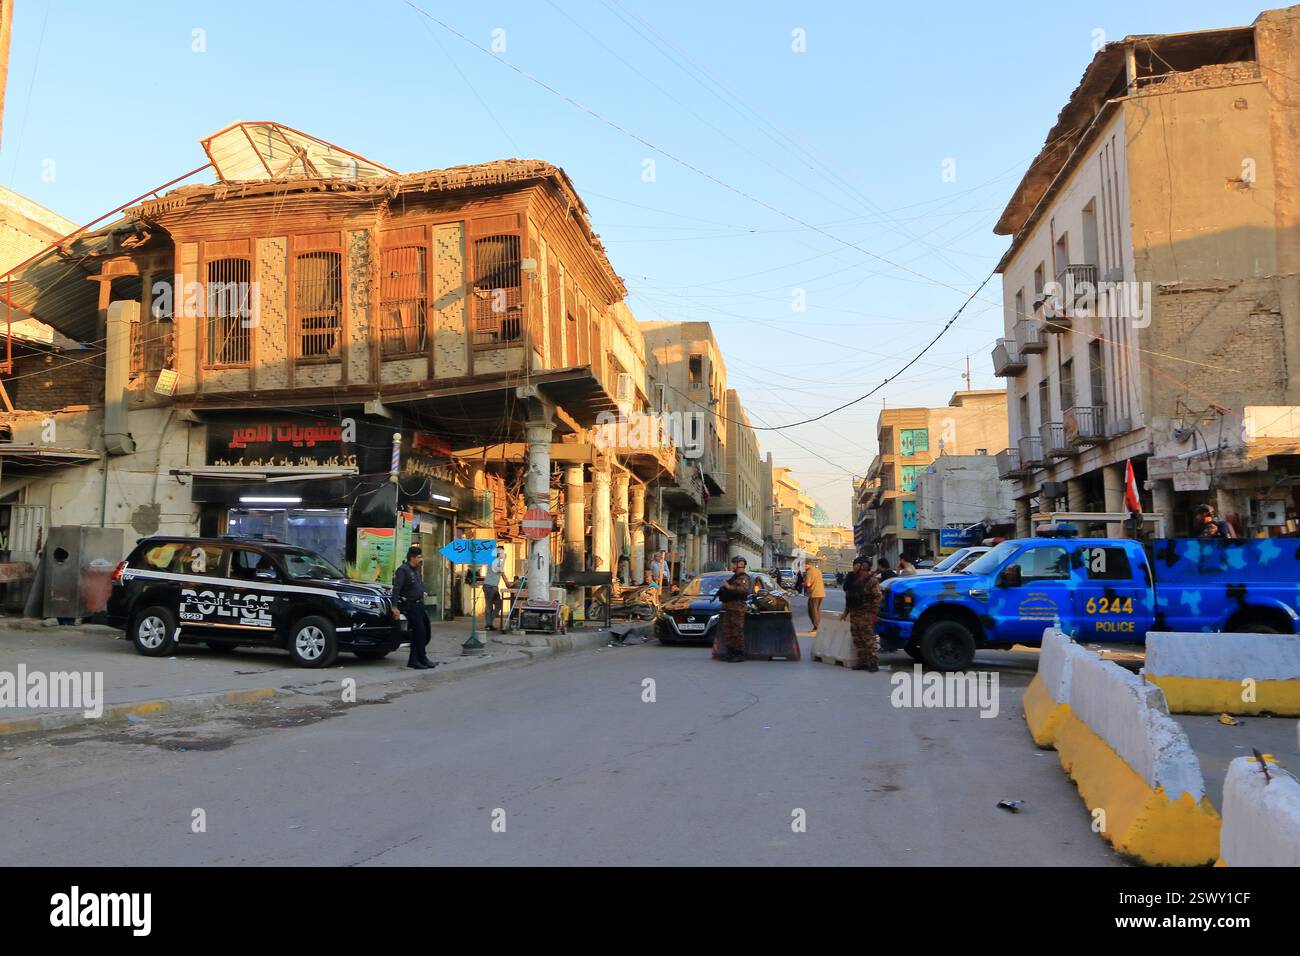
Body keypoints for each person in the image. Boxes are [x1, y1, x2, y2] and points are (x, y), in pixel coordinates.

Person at [392, 545, 438, 670]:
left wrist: (423, 591)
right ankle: (416, 660)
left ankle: (420, 658)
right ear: (412, 557)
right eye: (419, 557)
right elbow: (397, 589)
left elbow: (419, 584)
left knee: (422, 633)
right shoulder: (403, 570)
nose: (421, 559)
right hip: (411, 605)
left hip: (419, 604)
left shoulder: (416, 569)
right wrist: (394, 606)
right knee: (417, 633)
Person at [841, 557, 882, 672]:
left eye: (858, 565)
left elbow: (877, 597)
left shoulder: (871, 580)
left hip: (866, 613)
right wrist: (846, 612)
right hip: (855, 612)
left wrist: (874, 613)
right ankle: (862, 661)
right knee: (857, 638)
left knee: (868, 638)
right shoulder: (852, 579)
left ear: (864, 566)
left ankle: (873, 662)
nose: (856, 567)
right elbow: (849, 596)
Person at [716, 555, 753, 663]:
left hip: (737, 608)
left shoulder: (744, 578)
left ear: (740, 565)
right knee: (728, 631)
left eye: (734, 564)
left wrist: (728, 587)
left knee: (737, 631)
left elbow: (743, 590)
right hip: (729, 607)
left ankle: (739, 653)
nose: (732, 566)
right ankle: (730, 652)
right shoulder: (734, 577)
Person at [483, 545, 506, 631]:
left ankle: (489, 623)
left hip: (493, 586)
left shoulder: (497, 561)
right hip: (490, 586)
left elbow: (501, 572)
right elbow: (501, 570)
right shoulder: (495, 561)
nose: (503, 554)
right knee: (489, 606)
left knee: (498, 605)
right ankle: (488, 625)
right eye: (501, 552)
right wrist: (504, 559)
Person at [803, 559, 825, 632]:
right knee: (817, 610)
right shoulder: (818, 570)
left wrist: (803, 584)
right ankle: (819, 626)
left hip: (814, 594)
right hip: (821, 593)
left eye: (804, 564)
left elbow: (808, 584)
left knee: (812, 611)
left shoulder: (809, 572)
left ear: (808, 564)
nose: (804, 566)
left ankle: (817, 627)